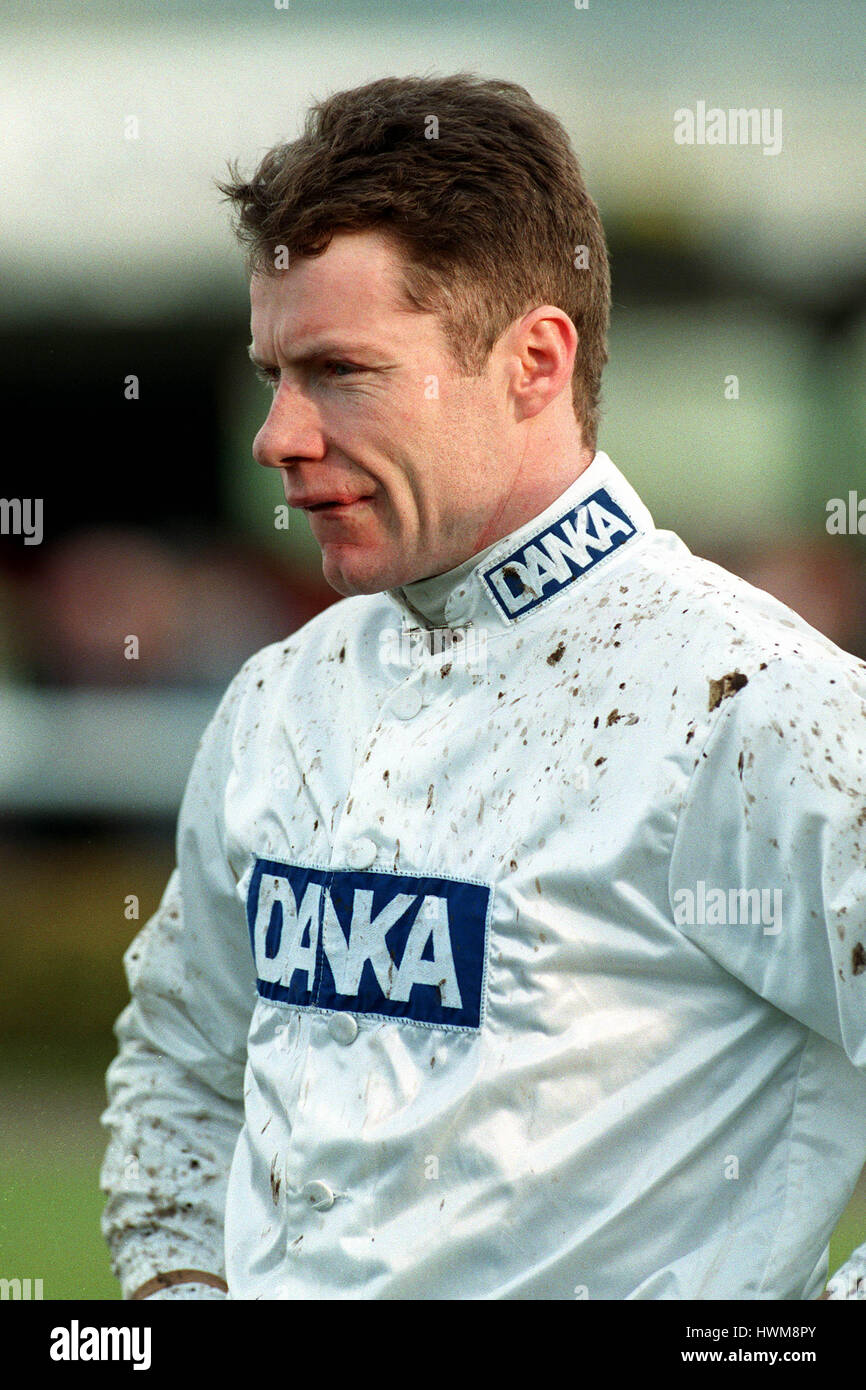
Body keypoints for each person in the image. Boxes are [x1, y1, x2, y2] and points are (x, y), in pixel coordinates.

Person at [100, 73, 866, 1301]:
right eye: (271, 374)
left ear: (532, 362)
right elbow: (183, 1064)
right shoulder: (278, 697)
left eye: (339, 370)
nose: (278, 435)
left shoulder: (758, 704)